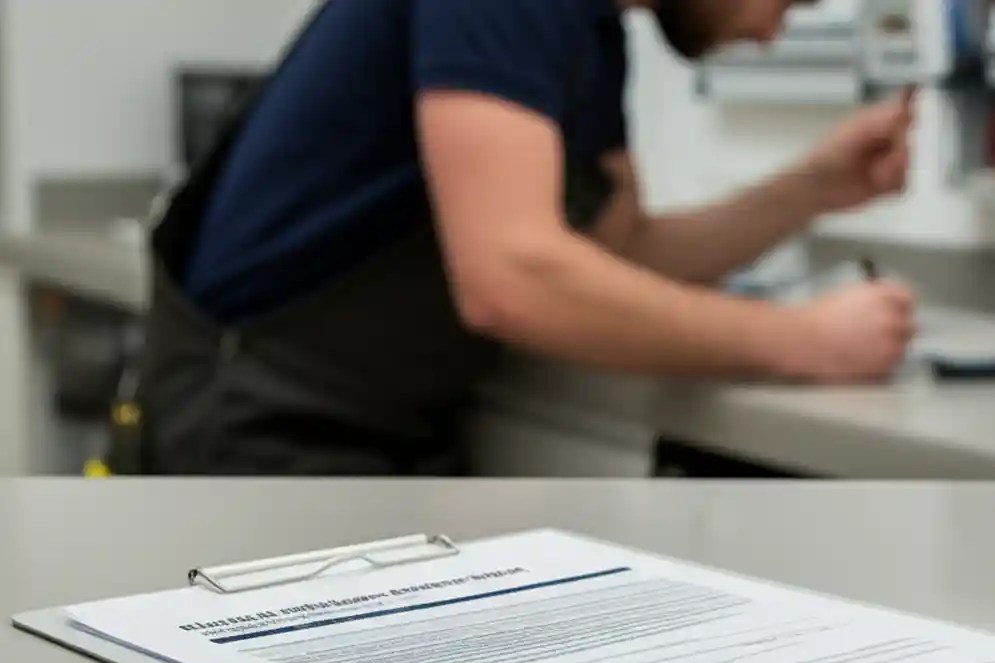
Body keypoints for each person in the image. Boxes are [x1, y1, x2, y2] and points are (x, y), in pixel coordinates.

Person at [132, 0, 918, 476]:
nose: (782, 26)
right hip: (264, 427)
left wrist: (813, 188)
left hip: (384, 427)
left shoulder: (595, 36)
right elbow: (512, 278)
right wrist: (800, 342)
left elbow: (616, 256)